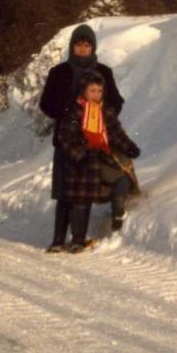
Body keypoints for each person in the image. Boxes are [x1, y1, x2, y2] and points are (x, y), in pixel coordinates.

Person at [38, 24, 124, 252]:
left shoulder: (104, 72)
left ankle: (78, 240)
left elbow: (116, 101)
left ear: (93, 47)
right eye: (79, 44)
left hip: (93, 142)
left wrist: (102, 115)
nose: (83, 48)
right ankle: (57, 240)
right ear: (72, 46)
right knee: (63, 191)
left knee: (83, 192)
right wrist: (67, 114)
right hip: (65, 140)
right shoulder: (59, 72)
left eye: (87, 45)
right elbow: (45, 103)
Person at [55, 69, 141, 252]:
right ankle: (78, 240)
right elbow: (66, 138)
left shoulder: (105, 110)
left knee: (121, 178)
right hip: (80, 164)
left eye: (99, 91)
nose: (96, 94)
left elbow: (115, 133)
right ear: (83, 91)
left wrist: (128, 146)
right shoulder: (74, 111)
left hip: (102, 159)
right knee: (80, 200)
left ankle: (118, 214)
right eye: (92, 90)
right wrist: (80, 154)